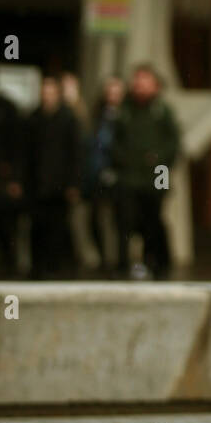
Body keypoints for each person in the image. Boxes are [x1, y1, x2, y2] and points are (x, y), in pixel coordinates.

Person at [110, 64, 180, 279]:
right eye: (137, 81)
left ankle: (156, 263)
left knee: (154, 220)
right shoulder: (125, 109)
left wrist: (158, 160)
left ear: (155, 85)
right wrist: (123, 160)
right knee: (125, 220)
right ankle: (123, 264)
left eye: (144, 81)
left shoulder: (162, 111)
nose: (139, 85)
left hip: (156, 176)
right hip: (129, 177)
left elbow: (173, 144)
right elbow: (114, 141)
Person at [22, 75, 82, 278]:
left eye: (50, 93)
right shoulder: (34, 118)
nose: (46, 97)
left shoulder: (68, 119)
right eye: (43, 93)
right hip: (37, 184)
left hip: (59, 184)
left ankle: (56, 267)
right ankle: (37, 268)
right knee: (36, 227)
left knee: (57, 228)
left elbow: (75, 154)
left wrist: (73, 183)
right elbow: (26, 154)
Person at [86, 76, 125, 276]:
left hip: (119, 175)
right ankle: (104, 260)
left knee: (119, 221)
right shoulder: (98, 115)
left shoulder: (126, 115)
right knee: (94, 219)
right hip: (97, 174)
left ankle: (119, 262)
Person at [0, 91, 23, 274]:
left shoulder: (7, 108)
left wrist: (14, 176)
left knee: (6, 224)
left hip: (4, 177)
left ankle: (9, 265)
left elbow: (17, 145)